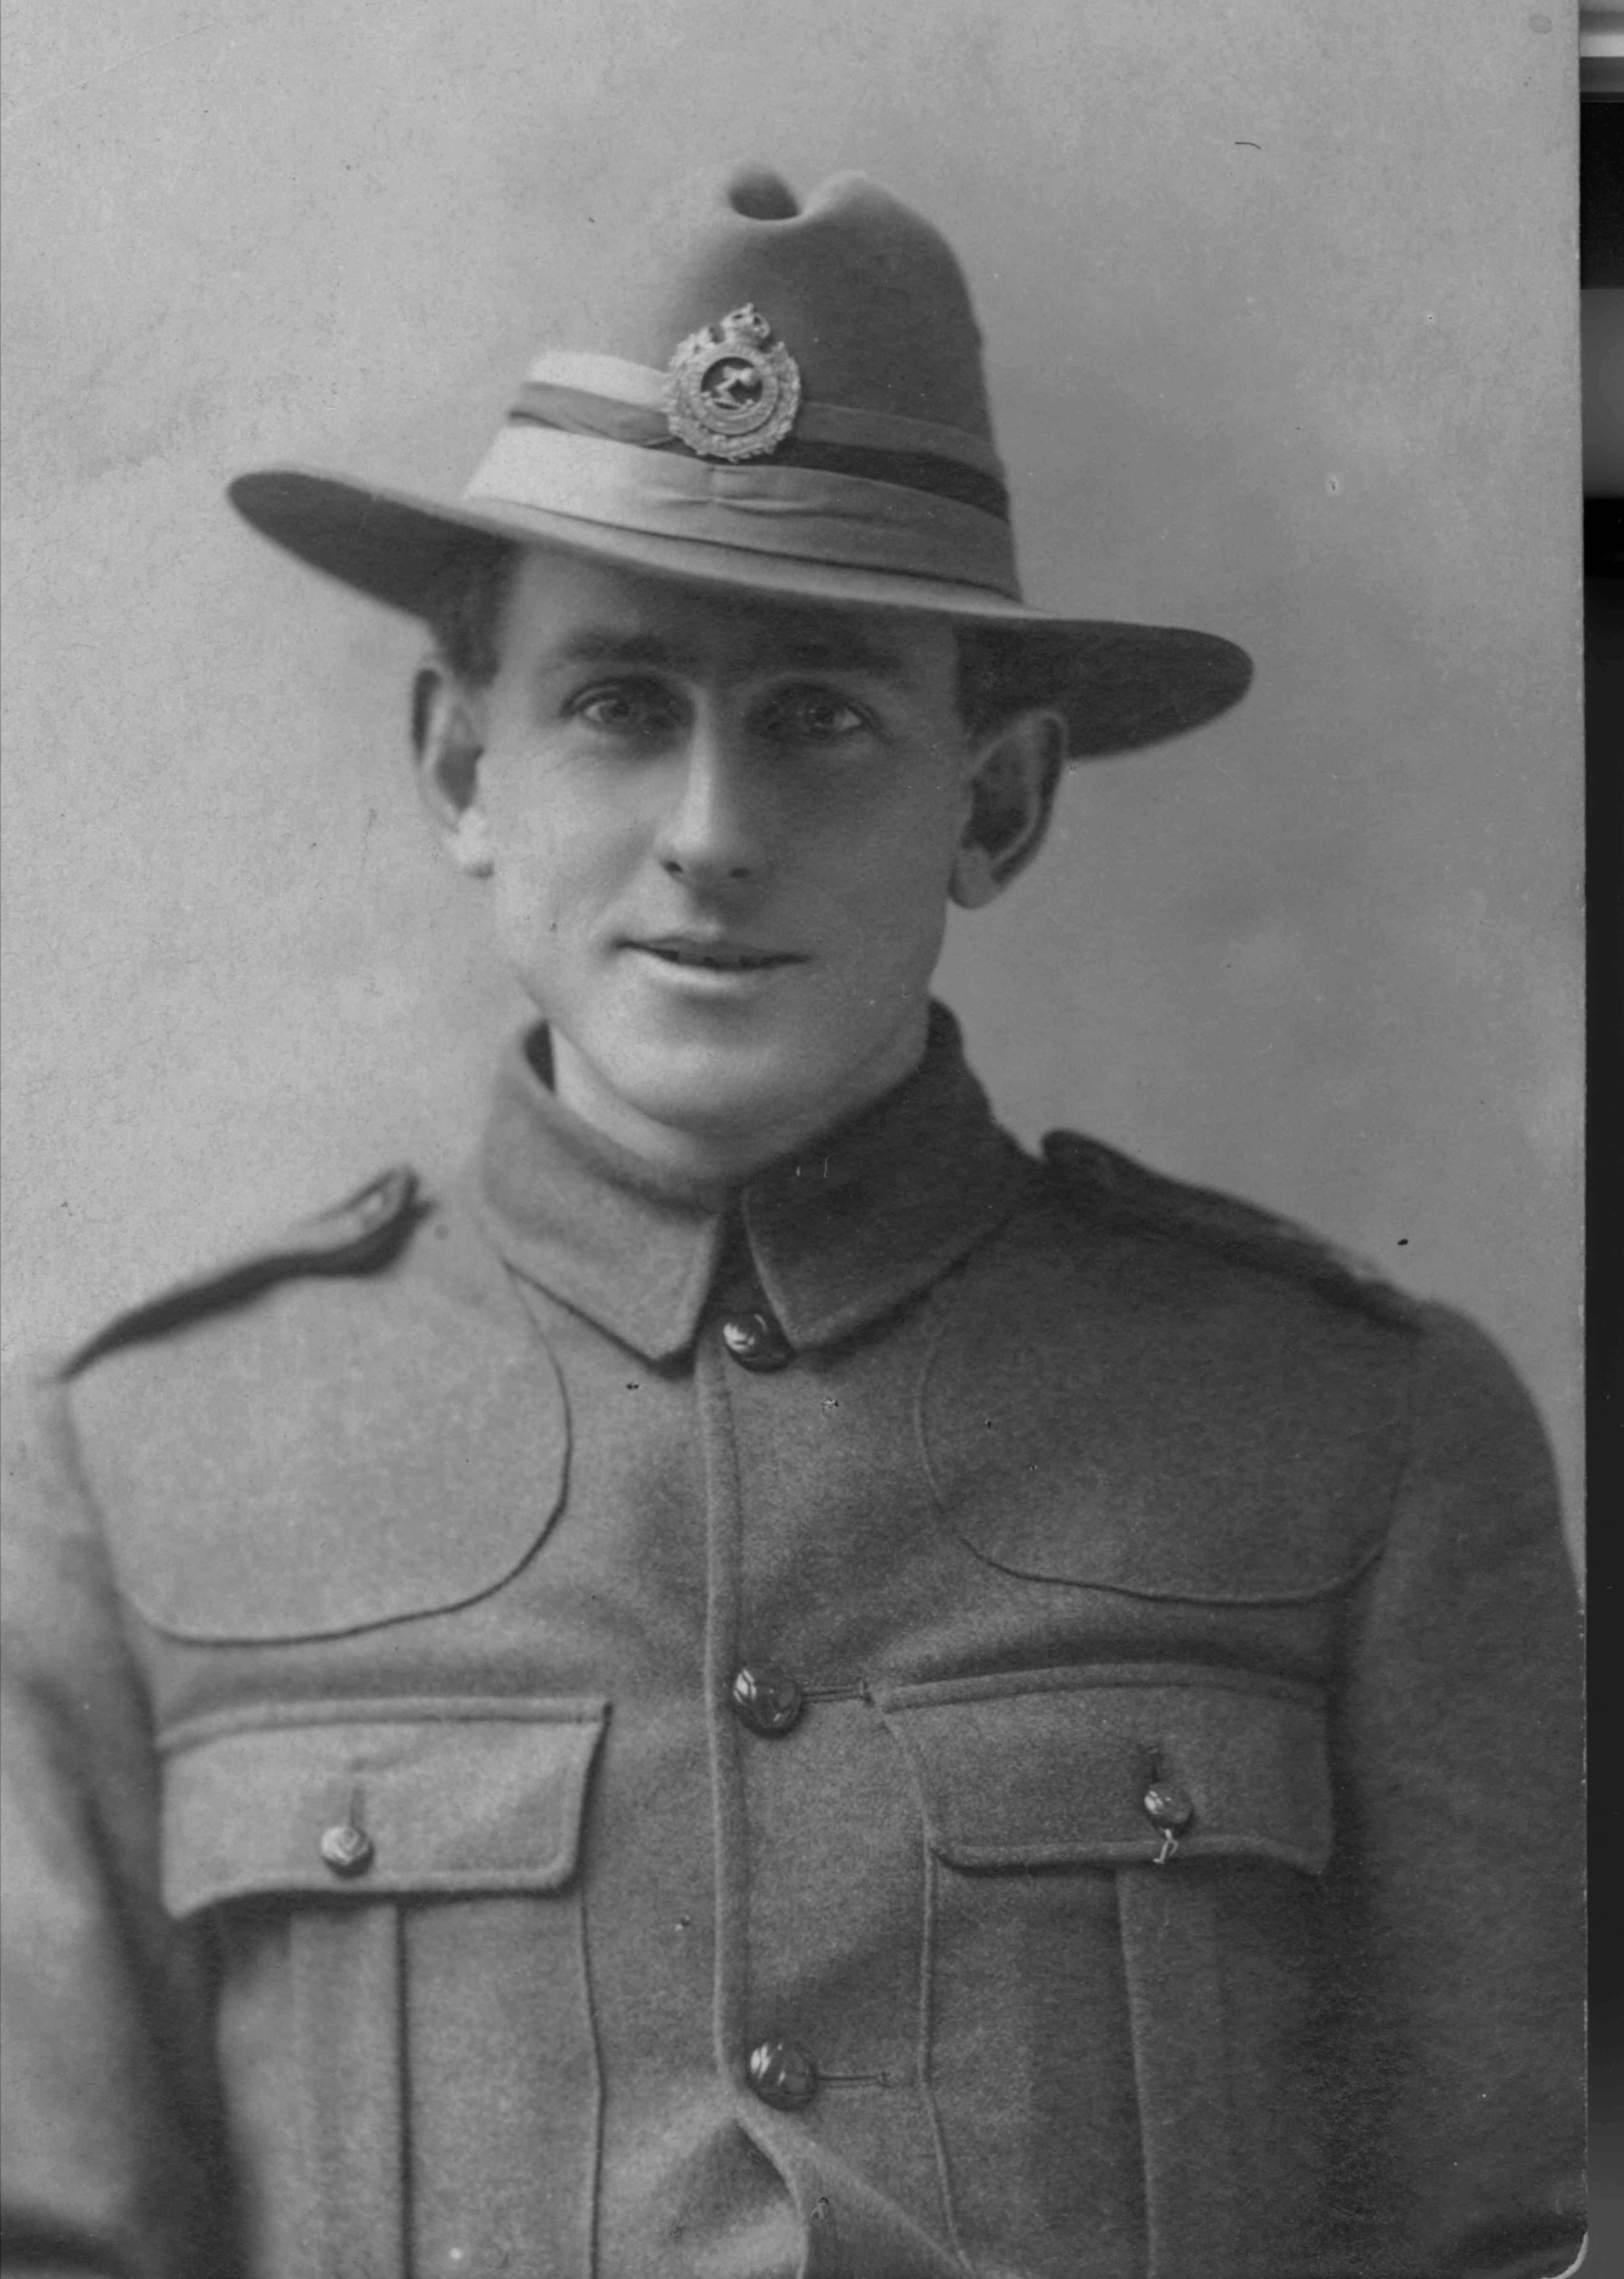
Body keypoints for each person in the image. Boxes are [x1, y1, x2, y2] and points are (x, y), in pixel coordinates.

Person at [0, 165, 1583, 2279]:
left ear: (995, 804)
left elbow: (1495, 2235)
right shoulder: (139, 1469)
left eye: (823, 718)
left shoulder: (1356, 1440)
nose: (715, 835)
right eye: (619, 707)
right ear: (463, 767)